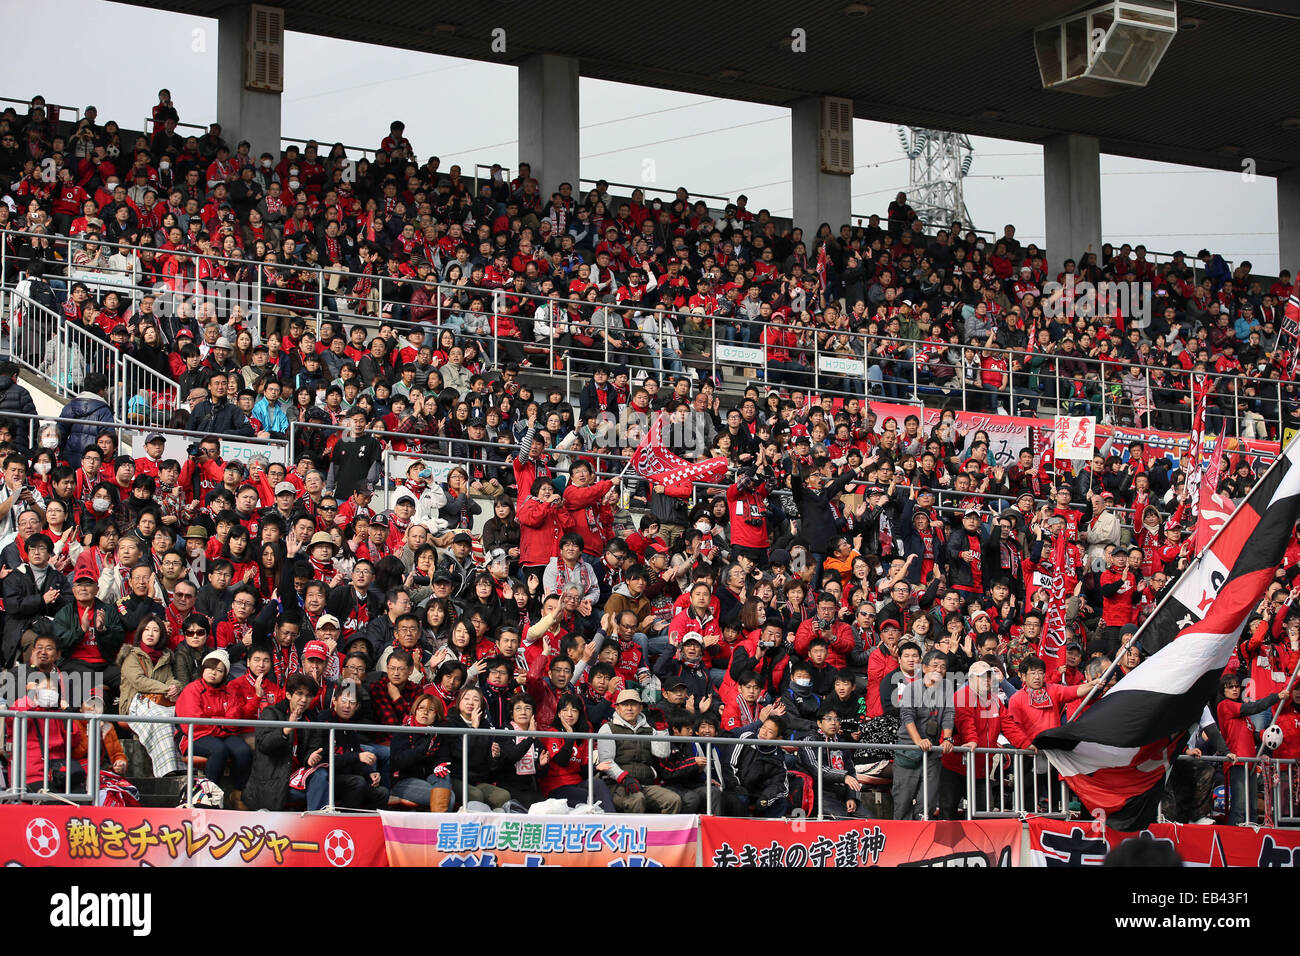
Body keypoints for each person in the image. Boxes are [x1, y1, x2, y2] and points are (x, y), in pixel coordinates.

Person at [174, 648, 256, 808]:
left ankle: (237, 793)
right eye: (210, 667)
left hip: (222, 734)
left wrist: (213, 721)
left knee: (243, 751)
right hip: (193, 736)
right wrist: (220, 723)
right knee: (219, 750)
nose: (213, 673)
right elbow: (194, 722)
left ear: (225, 674)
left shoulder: (229, 691)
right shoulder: (192, 689)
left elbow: (234, 718)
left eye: (219, 670)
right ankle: (209, 795)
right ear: (203, 669)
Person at [243, 673, 324, 811]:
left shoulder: (312, 719)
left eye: (309, 696)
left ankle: (317, 820)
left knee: (322, 775)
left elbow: (313, 747)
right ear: (288, 695)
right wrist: (285, 730)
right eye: (299, 694)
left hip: (298, 777)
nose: (304, 699)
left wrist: (310, 757)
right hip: (273, 780)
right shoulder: (271, 713)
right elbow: (264, 745)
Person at [116, 612, 184, 776]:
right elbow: (139, 681)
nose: (150, 634)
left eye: (155, 630)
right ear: (140, 632)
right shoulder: (131, 655)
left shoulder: (165, 657)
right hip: (134, 703)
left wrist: (175, 686)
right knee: (161, 719)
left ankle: (182, 765)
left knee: (180, 717)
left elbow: (171, 679)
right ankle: (166, 768)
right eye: (146, 630)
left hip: (159, 702)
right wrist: (165, 689)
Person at [598, 689, 683, 813]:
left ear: (640, 707)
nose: (629, 708)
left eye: (633, 704)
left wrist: (661, 728)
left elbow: (663, 753)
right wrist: (624, 778)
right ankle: (634, 833)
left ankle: (661, 832)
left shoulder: (649, 729)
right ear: (617, 708)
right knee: (637, 800)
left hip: (645, 785)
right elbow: (606, 762)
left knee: (673, 800)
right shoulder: (608, 728)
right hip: (617, 785)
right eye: (625, 704)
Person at [893, 649, 954, 820]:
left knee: (928, 800)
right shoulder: (911, 688)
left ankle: (922, 836)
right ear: (925, 668)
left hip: (933, 751)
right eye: (935, 666)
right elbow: (907, 716)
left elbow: (949, 714)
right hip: (908, 749)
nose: (939, 670)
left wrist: (948, 738)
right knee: (903, 799)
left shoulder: (947, 688)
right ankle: (902, 840)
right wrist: (918, 740)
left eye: (943, 667)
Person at [539, 692, 616, 811]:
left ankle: (611, 822)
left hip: (577, 783)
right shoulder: (552, 733)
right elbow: (562, 761)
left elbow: (584, 770)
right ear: (559, 714)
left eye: (574, 710)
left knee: (598, 784)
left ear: (579, 714)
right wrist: (570, 736)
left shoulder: (583, 736)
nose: (569, 714)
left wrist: (596, 767)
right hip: (556, 786)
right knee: (590, 798)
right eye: (565, 710)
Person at [390, 693, 456, 811]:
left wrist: (438, 766)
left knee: (443, 775)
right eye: (421, 708)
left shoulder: (439, 733)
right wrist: (425, 744)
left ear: (436, 715)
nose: (425, 712)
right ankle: (438, 827)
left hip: (429, 778)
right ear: (415, 710)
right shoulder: (402, 731)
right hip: (405, 780)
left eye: (431, 710)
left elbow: (444, 758)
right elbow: (399, 762)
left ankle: (436, 825)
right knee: (448, 798)